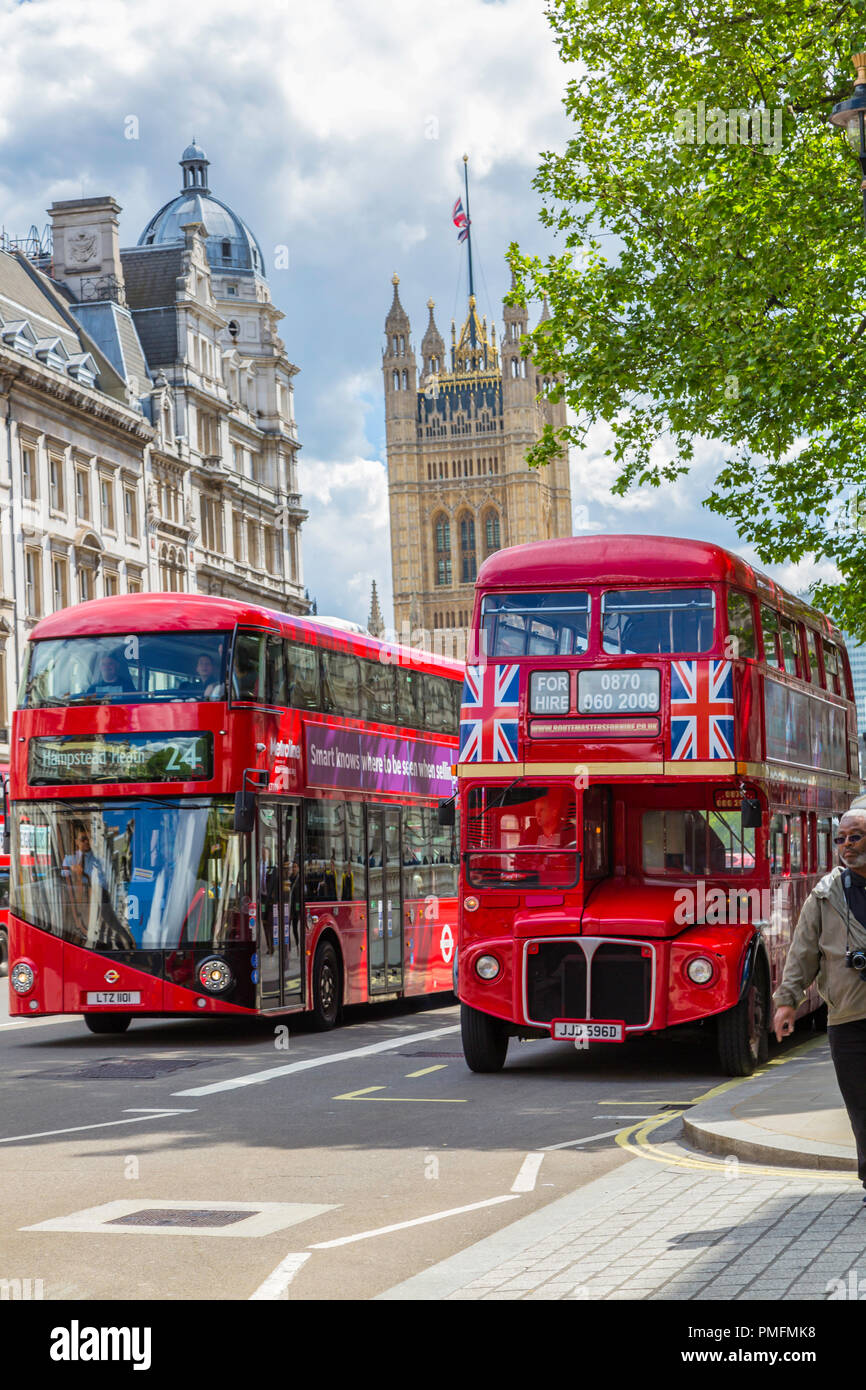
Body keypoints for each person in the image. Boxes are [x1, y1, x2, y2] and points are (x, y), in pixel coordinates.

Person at [773, 805, 866, 1203]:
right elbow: (803, 952)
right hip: (847, 1018)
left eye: (855, 836)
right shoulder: (825, 894)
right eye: (841, 838)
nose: (846, 845)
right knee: (861, 1106)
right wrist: (786, 1002)